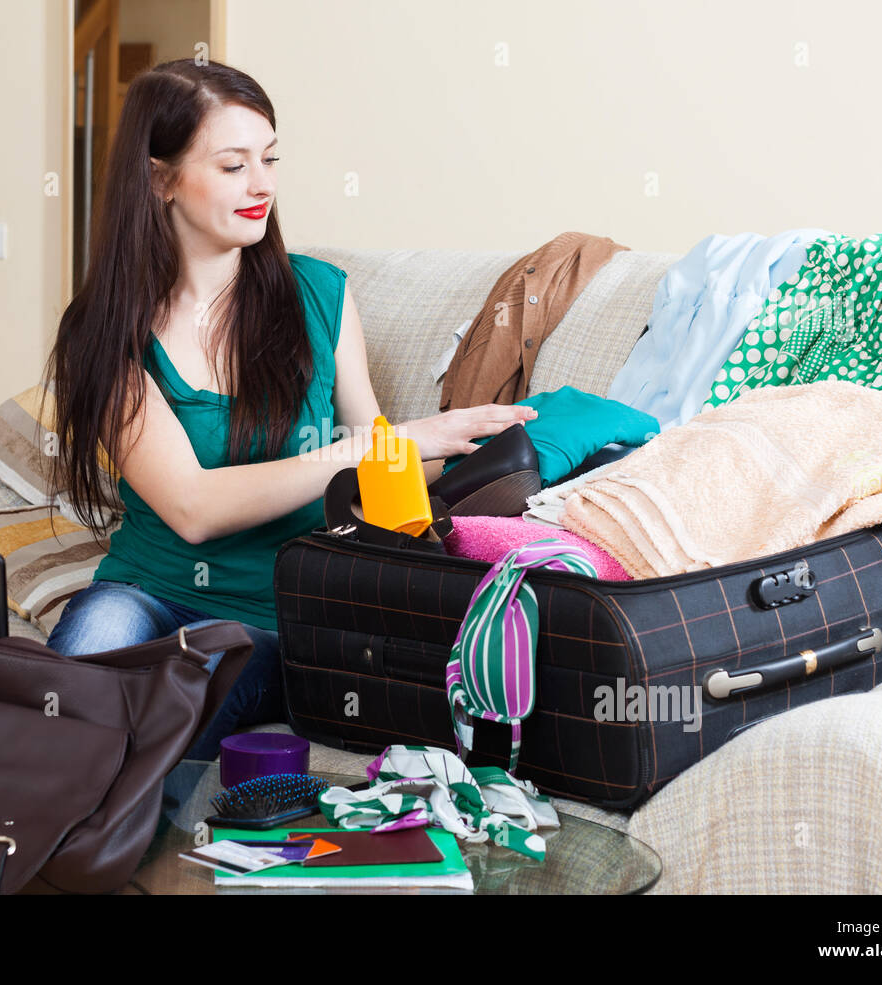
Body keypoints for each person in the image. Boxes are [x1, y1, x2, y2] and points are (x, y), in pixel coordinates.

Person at [42, 58, 533, 761]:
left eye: (269, 159)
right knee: (70, 701)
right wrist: (362, 449)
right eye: (233, 164)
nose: (263, 184)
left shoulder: (320, 297)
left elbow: (382, 468)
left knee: (149, 727)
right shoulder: (106, 328)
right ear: (161, 179)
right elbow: (191, 505)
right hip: (147, 591)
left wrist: (476, 451)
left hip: (274, 619)